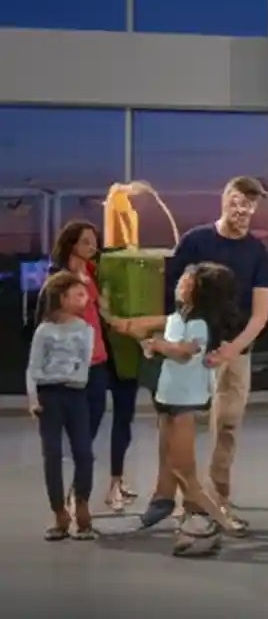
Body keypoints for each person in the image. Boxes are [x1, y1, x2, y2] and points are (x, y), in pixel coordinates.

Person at [137, 176, 268, 529]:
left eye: (250, 204)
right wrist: (164, 339)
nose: (242, 209)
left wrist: (231, 351)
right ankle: (172, 496)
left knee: (227, 425)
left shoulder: (258, 254)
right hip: (190, 352)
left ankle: (218, 499)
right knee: (176, 424)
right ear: (224, 199)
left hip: (234, 353)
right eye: (237, 200)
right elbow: (172, 297)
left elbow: (260, 314)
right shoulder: (195, 242)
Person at [143, 262, 249, 555]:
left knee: (184, 470)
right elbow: (173, 349)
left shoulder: (198, 324)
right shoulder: (178, 318)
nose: (180, 283)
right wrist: (156, 346)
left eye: (186, 281)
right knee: (172, 464)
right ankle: (169, 505)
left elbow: (184, 352)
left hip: (184, 401)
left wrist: (160, 345)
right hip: (167, 396)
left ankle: (221, 520)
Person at [50, 220, 139, 513]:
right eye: (87, 242)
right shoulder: (60, 280)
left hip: (98, 359)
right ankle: (73, 498)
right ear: (72, 244)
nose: (93, 247)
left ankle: (81, 493)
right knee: (78, 432)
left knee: (92, 425)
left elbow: (103, 311)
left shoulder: (91, 272)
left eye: (94, 241)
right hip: (76, 365)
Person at [28, 271, 98, 541]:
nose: (85, 299)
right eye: (79, 294)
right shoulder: (44, 330)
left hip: (76, 396)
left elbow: (83, 366)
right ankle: (58, 512)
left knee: (83, 451)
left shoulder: (85, 330)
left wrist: (71, 378)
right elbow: (33, 368)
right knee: (52, 454)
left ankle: (82, 503)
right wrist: (34, 398)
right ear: (62, 297)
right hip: (49, 397)